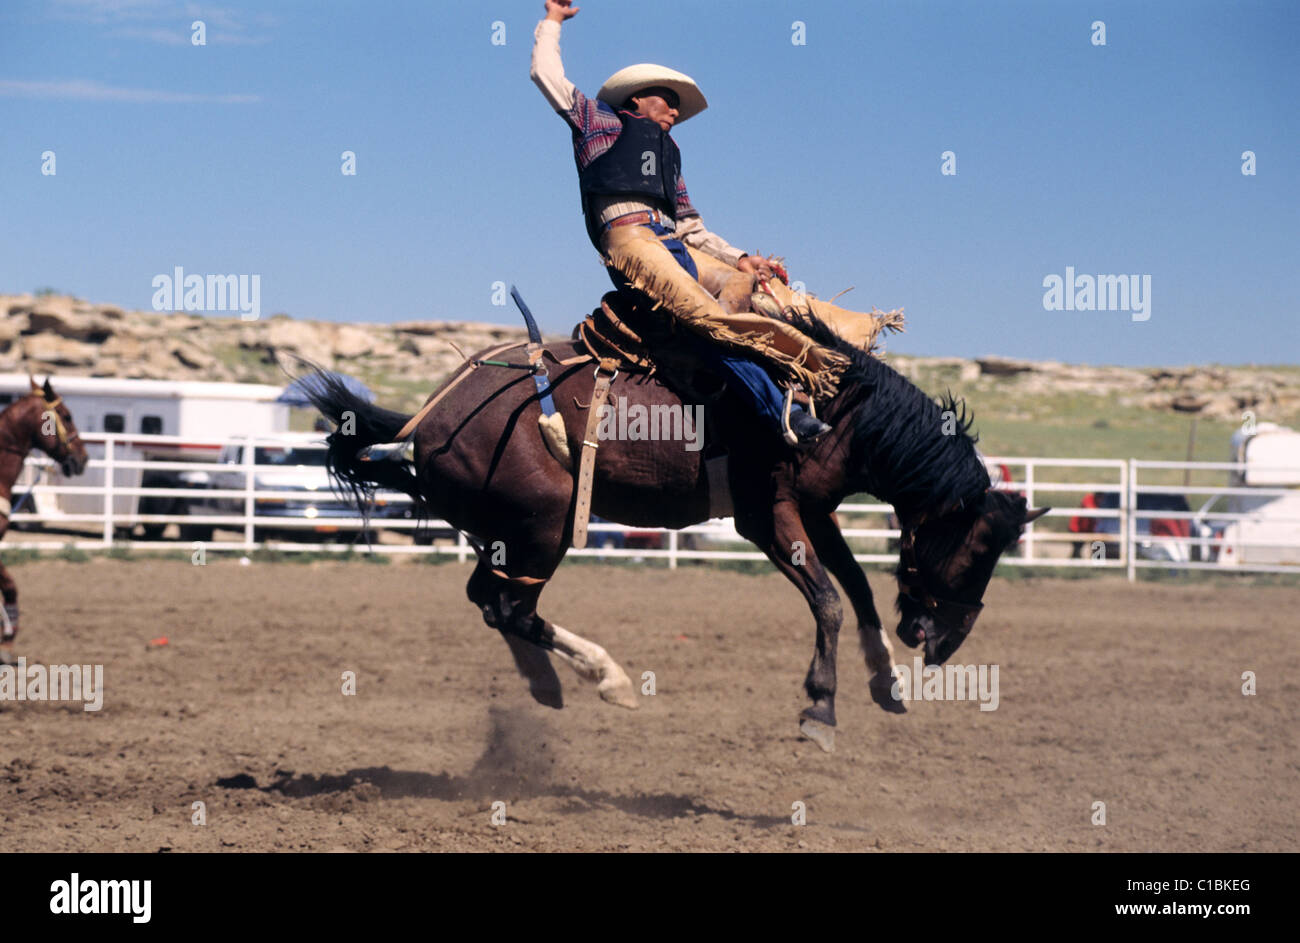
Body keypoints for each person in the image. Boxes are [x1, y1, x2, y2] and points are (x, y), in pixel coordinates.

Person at [530, 0, 855, 447]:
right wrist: (552, 22)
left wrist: (741, 258)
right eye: (669, 101)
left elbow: (693, 230)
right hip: (632, 245)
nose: (676, 112)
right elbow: (548, 75)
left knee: (763, 292)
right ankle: (783, 411)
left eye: (679, 107)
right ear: (637, 99)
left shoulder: (669, 157)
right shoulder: (597, 120)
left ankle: (848, 355)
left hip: (676, 246)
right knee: (707, 321)